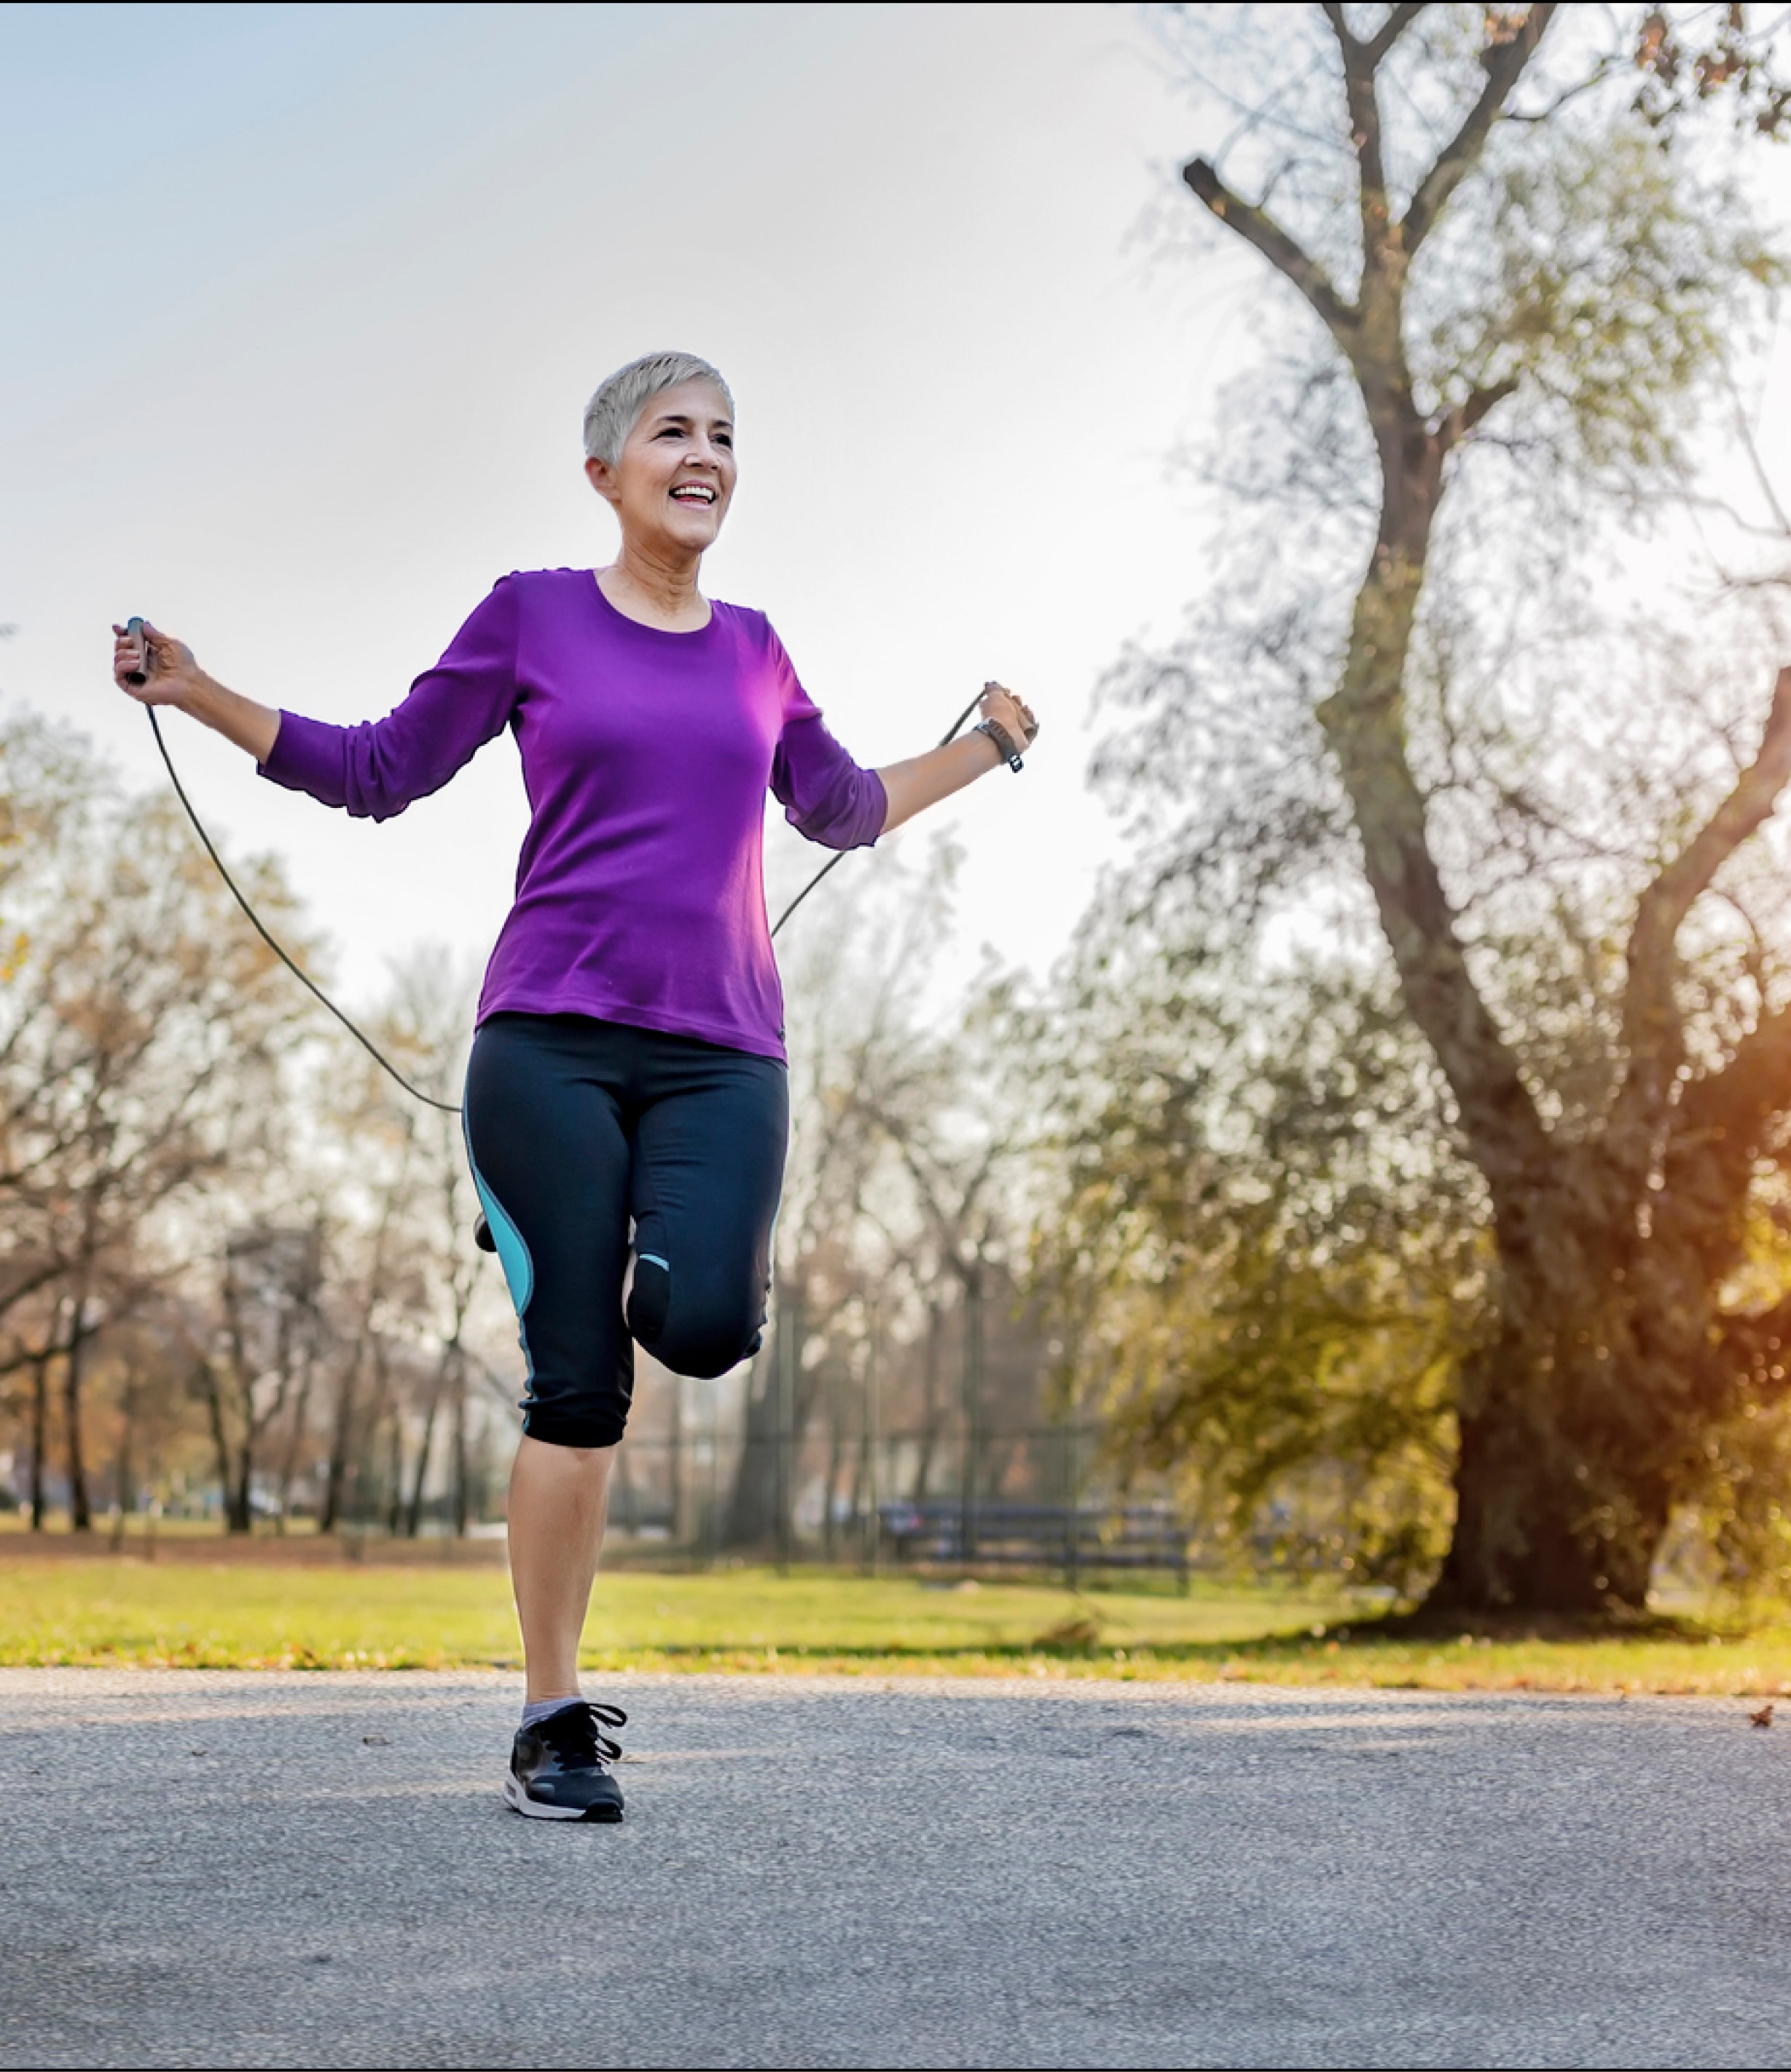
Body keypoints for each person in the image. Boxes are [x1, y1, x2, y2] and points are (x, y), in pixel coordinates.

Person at [113, 350, 1039, 1822]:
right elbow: (377, 769)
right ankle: (550, 1719)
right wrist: (198, 685)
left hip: (723, 1052)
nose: (707, 455)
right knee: (578, 1385)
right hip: (545, 1042)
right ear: (604, 470)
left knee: (704, 1322)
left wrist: (982, 747)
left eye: (726, 436)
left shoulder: (755, 649)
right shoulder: (530, 613)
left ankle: (648, 1242)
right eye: (673, 431)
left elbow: (843, 810)